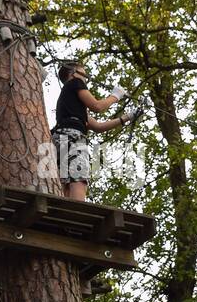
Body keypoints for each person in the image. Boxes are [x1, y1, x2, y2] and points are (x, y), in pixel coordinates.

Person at [51, 59, 138, 201]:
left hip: (60, 139)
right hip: (73, 138)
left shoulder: (68, 101)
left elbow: (98, 127)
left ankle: (65, 216)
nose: (86, 79)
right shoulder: (75, 83)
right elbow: (97, 106)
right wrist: (115, 96)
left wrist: (126, 117)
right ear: (73, 73)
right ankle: (77, 216)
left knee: (66, 185)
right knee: (78, 181)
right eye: (84, 75)